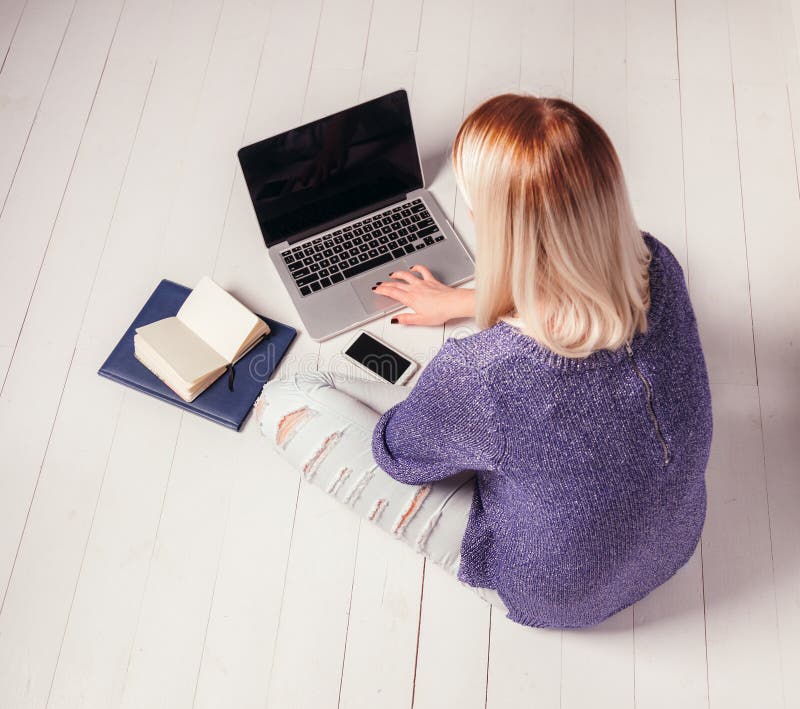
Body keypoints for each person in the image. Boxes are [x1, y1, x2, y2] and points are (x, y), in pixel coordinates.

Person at [254, 94, 713, 629]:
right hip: (676, 538)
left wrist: (452, 405)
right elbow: (574, 292)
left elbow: (402, 458)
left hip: (555, 596)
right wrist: (466, 302)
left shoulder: (483, 374)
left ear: (491, 223)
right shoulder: (656, 262)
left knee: (288, 397)